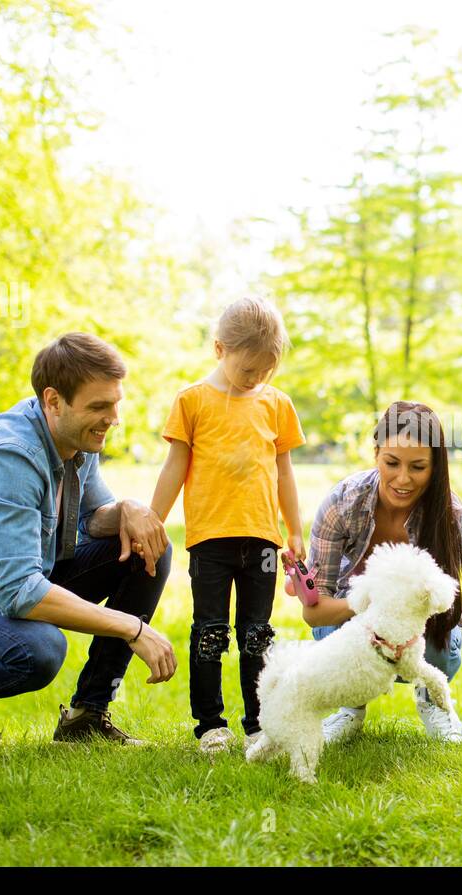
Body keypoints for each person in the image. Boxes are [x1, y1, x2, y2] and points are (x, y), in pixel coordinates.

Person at [0, 332, 178, 758]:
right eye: (99, 407)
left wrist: (130, 510)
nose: (112, 418)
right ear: (53, 400)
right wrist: (131, 628)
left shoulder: (77, 439)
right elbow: (19, 592)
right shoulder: (13, 455)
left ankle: (88, 717)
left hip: (19, 575)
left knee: (147, 549)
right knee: (40, 650)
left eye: (115, 404)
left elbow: (92, 519)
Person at [151, 296, 306, 755]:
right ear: (220, 350)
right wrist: (153, 523)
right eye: (248, 370)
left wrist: (294, 530)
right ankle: (210, 724)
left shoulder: (277, 405)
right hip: (210, 540)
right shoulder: (192, 401)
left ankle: (259, 722)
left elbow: (284, 472)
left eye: (266, 371)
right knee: (210, 631)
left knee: (257, 633)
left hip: (261, 537)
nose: (257, 379)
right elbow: (174, 468)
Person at [303, 401, 462, 744]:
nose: (403, 478)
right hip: (350, 620)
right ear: (376, 452)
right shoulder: (342, 503)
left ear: (436, 466)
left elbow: (443, 605)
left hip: (419, 627)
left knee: (442, 646)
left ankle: (434, 701)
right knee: (333, 629)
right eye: (391, 463)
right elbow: (314, 611)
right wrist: (371, 603)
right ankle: (349, 706)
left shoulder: (451, 517)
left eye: (419, 467)